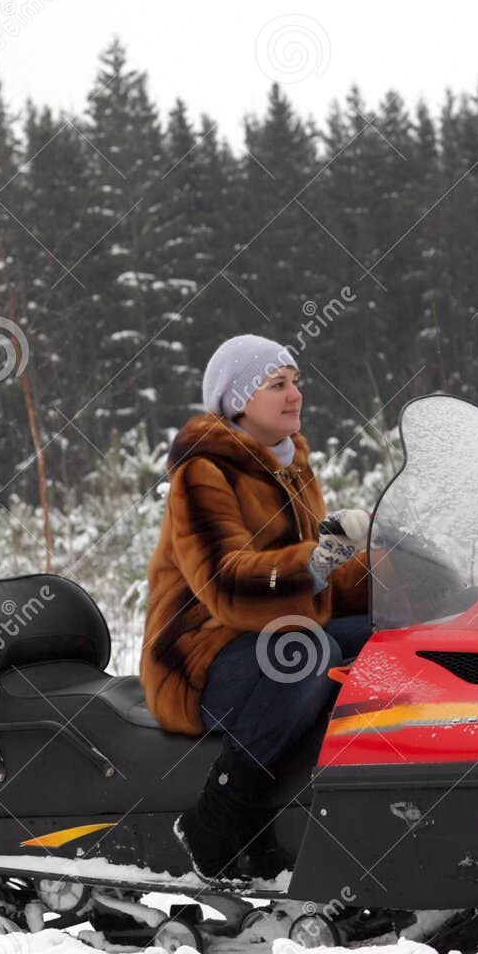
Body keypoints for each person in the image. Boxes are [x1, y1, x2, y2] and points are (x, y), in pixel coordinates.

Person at [140, 334, 372, 888]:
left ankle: (353, 803)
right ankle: (218, 821)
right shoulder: (203, 473)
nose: (295, 395)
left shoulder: (290, 464)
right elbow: (225, 582)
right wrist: (320, 558)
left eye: (295, 382)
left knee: (380, 637)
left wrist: (396, 574)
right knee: (307, 655)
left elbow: (322, 584)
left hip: (270, 631)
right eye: (278, 385)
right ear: (240, 400)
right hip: (201, 651)